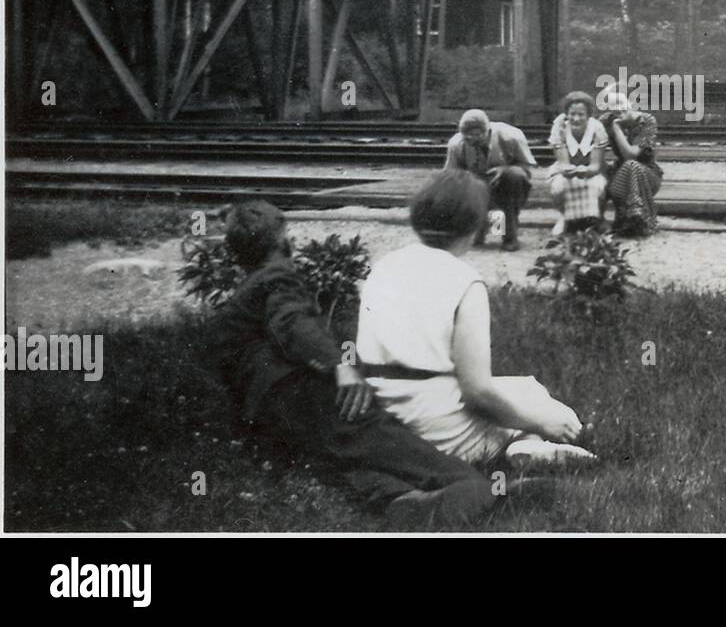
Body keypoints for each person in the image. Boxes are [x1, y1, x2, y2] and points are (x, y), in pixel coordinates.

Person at [209, 200, 512, 531]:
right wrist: (340, 365)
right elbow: (292, 323)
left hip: (263, 412)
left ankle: (400, 499)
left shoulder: (245, 292)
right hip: (298, 392)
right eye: (287, 234)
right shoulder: (278, 276)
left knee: (338, 452)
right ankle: (475, 486)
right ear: (281, 241)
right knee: (374, 432)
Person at [357, 169, 597, 469]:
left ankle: (528, 444)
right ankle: (525, 442)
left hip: (381, 413)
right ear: (474, 226)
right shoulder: (465, 281)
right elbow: (477, 392)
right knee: (544, 411)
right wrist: (543, 421)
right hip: (434, 423)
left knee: (528, 388)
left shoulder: (384, 266)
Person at [443, 108, 537, 251]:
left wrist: (504, 169)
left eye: (477, 135)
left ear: (488, 131)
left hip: (506, 185)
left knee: (514, 175)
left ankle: (509, 235)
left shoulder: (511, 136)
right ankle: (474, 229)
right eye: (467, 136)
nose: (472, 139)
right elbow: (450, 175)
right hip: (475, 185)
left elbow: (526, 168)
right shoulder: (456, 144)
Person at [599, 90, 664, 236]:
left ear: (630, 104)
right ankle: (597, 219)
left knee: (631, 165)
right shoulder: (606, 120)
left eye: (622, 105)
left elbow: (631, 155)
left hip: (647, 175)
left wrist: (616, 129)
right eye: (614, 108)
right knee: (602, 173)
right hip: (619, 175)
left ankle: (639, 218)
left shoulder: (646, 120)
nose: (619, 110)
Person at [547, 91, 609, 235]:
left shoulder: (597, 129)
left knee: (596, 185)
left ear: (588, 115)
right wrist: (568, 170)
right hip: (566, 169)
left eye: (581, 114)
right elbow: (563, 164)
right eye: (572, 114)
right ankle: (565, 217)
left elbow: (595, 166)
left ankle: (596, 218)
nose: (576, 118)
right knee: (560, 185)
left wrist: (586, 171)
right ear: (566, 114)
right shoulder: (559, 127)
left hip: (593, 170)